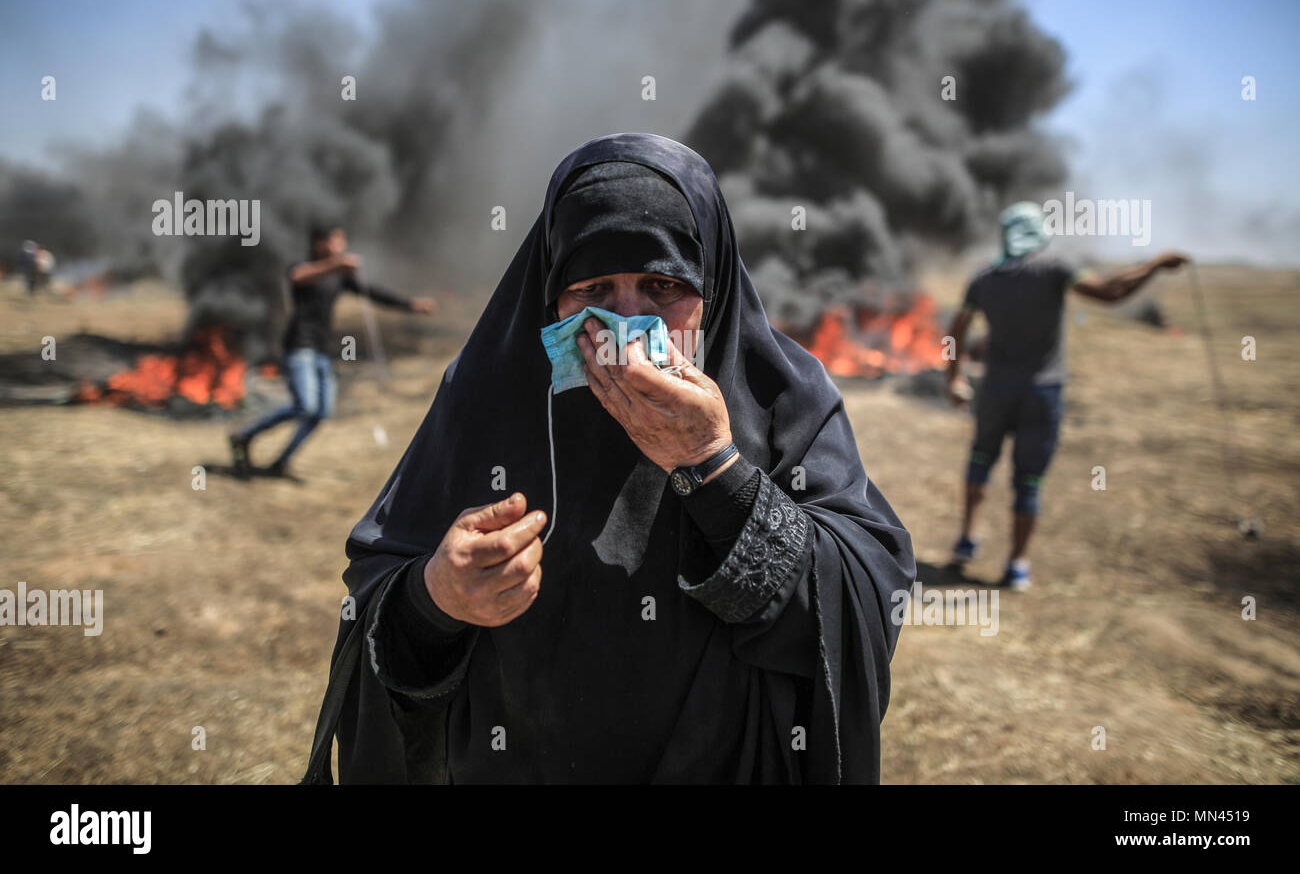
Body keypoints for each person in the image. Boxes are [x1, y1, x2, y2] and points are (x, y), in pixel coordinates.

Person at [303, 133, 915, 785]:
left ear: (710, 287)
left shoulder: (784, 396)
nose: (627, 326)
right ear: (551, 296)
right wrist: (435, 598)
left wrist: (714, 467)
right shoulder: (488, 395)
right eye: (594, 287)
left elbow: (863, 596)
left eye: (661, 285)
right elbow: (378, 602)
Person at [945, 201, 1189, 590]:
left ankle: (967, 540)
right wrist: (1155, 264)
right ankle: (1017, 565)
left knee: (979, 462)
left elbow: (955, 330)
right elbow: (1110, 293)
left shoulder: (985, 278)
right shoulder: (1055, 268)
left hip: (995, 393)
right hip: (1043, 393)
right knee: (1029, 482)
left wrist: (953, 377)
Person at [229, 224, 436, 477]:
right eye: (336, 239)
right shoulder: (304, 268)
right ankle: (244, 435)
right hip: (299, 347)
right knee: (305, 406)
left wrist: (411, 304)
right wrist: (336, 266)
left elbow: (375, 294)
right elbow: (298, 277)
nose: (342, 244)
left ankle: (280, 462)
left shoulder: (340, 277)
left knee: (321, 412)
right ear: (319, 243)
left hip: (321, 350)